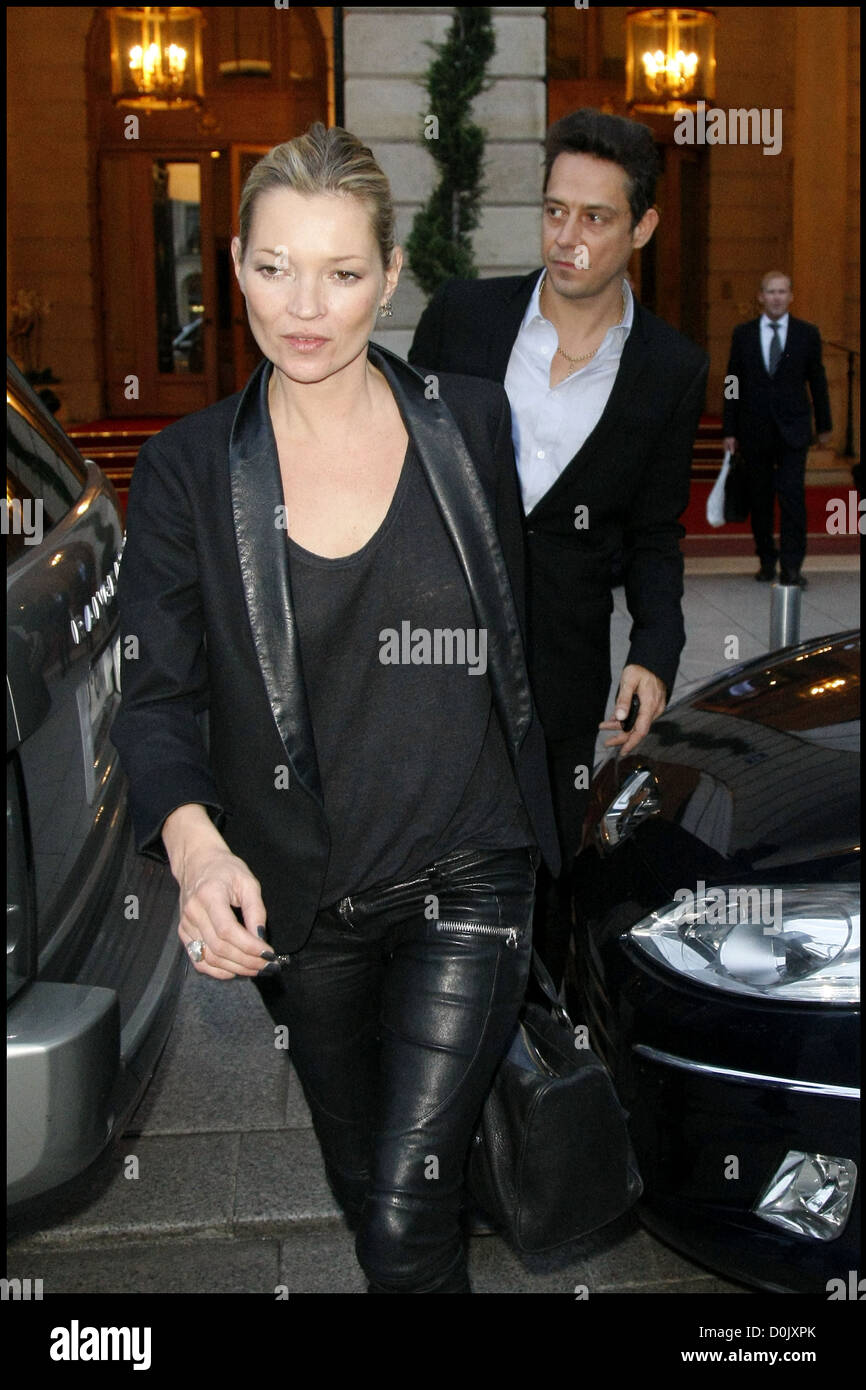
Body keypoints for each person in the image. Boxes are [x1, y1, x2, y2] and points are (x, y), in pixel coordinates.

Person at [111, 124, 560, 1295]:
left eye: (341, 272)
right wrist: (198, 852)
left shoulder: (469, 428)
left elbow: (522, 644)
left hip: (470, 876)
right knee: (372, 1201)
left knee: (409, 1218)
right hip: (305, 913)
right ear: (236, 264)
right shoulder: (187, 472)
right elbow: (156, 701)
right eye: (272, 267)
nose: (302, 305)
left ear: (391, 274)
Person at [409, 108, 708, 983]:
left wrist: (655, 650)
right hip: (435, 651)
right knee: (427, 863)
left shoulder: (669, 367)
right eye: (554, 211)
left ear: (643, 226)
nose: (566, 237)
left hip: (565, 672)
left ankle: (538, 1061)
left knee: (547, 875)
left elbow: (655, 533)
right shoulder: (463, 319)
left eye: (595, 217)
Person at [722, 271, 832, 587]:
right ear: (760, 296)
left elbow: (818, 380)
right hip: (753, 429)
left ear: (791, 296)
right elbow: (732, 383)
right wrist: (729, 429)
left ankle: (792, 565)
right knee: (760, 499)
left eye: (782, 292)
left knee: (792, 497)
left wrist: (824, 424)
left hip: (793, 429)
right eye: (771, 292)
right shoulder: (742, 334)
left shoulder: (806, 334)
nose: (777, 297)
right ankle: (767, 560)